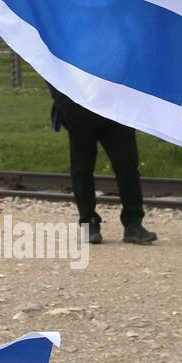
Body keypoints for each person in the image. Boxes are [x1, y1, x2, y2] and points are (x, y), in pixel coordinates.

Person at [48, 84, 157, 245]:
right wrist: (66, 104)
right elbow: (50, 64)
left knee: (127, 165)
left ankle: (133, 223)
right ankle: (89, 223)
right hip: (79, 107)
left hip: (116, 108)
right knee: (82, 168)